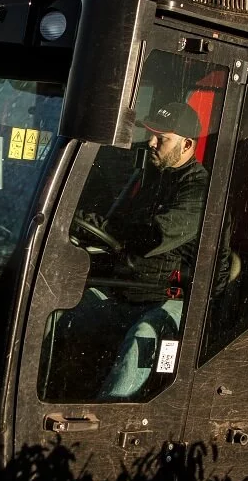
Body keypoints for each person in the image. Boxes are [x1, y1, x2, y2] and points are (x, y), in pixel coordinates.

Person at [75, 100, 208, 398]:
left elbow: (152, 236)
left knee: (143, 338)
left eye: (162, 138)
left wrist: (95, 224)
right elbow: (120, 224)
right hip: (130, 291)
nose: (151, 142)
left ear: (187, 144)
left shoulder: (198, 192)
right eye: (151, 134)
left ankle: (109, 421)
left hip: (170, 299)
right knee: (63, 308)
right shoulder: (155, 179)